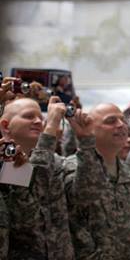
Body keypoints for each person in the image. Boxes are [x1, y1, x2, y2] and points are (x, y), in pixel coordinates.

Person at [61, 103, 130, 260]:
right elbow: (82, 196)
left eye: (123, 120)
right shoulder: (69, 169)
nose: (121, 125)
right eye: (111, 121)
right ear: (90, 128)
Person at [0, 96, 78, 259]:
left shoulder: (55, 162)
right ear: (6, 126)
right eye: (29, 116)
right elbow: (26, 213)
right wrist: (51, 126)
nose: (38, 121)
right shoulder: (5, 164)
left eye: (40, 118)